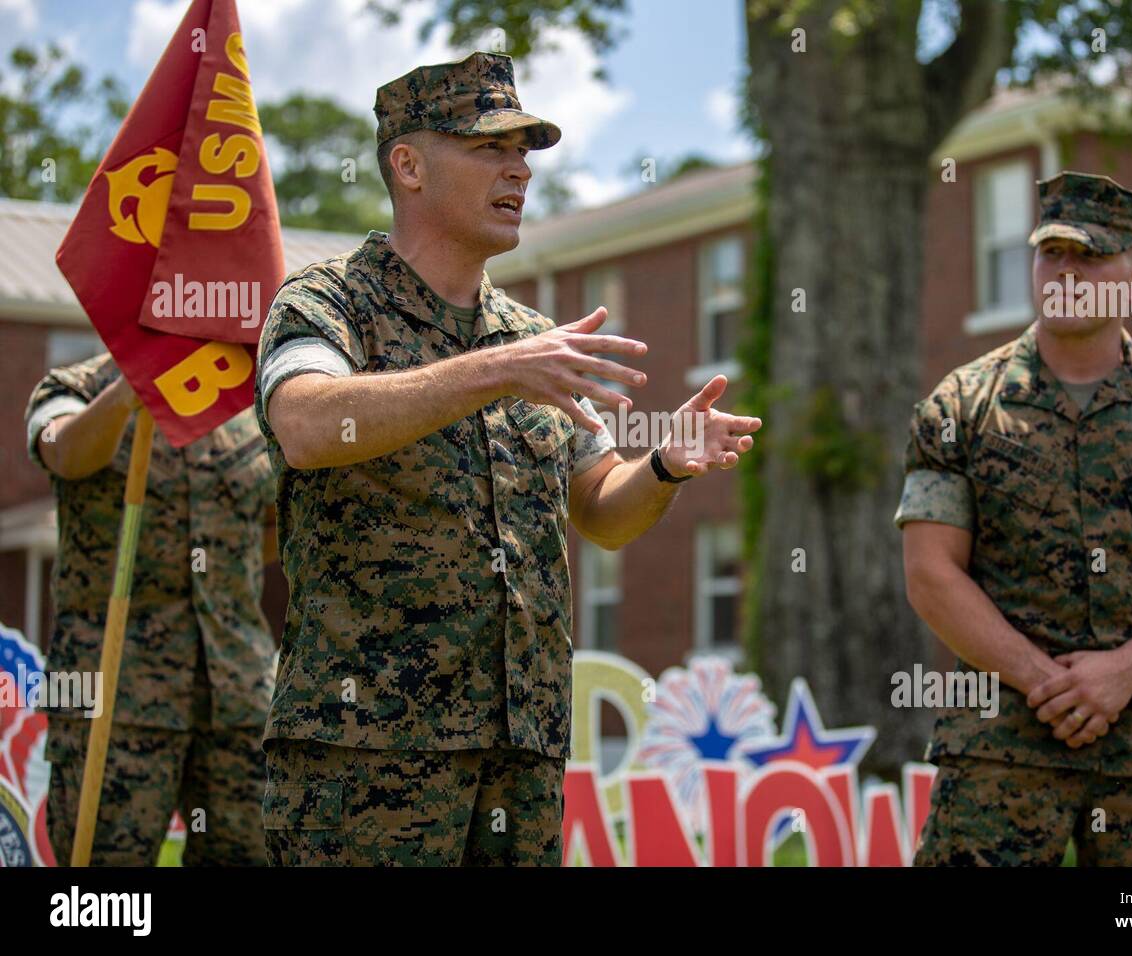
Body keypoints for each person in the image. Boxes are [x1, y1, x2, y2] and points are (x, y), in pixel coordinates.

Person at [255, 51, 761, 866]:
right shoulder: (327, 303)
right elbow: (307, 426)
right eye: (489, 147)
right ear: (408, 164)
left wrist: (663, 468)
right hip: (363, 760)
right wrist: (493, 371)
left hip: (521, 756)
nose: (518, 169)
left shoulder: (532, 340)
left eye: (524, 151)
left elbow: (601, 509)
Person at [896, 171, 1132, 866]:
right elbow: (931, 574)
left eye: (1090, 256)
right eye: (1051, 252)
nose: (1066, 271)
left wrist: (1124, 672)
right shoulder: (961, 406)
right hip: (1000, 746)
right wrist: (1045, 682)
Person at [25, 352, 277, 865]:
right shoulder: (71, 387)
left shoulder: (247, 400)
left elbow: (270, 527)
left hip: (237, 695)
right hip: (110, 698)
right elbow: (66, 453)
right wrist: (126, 393)